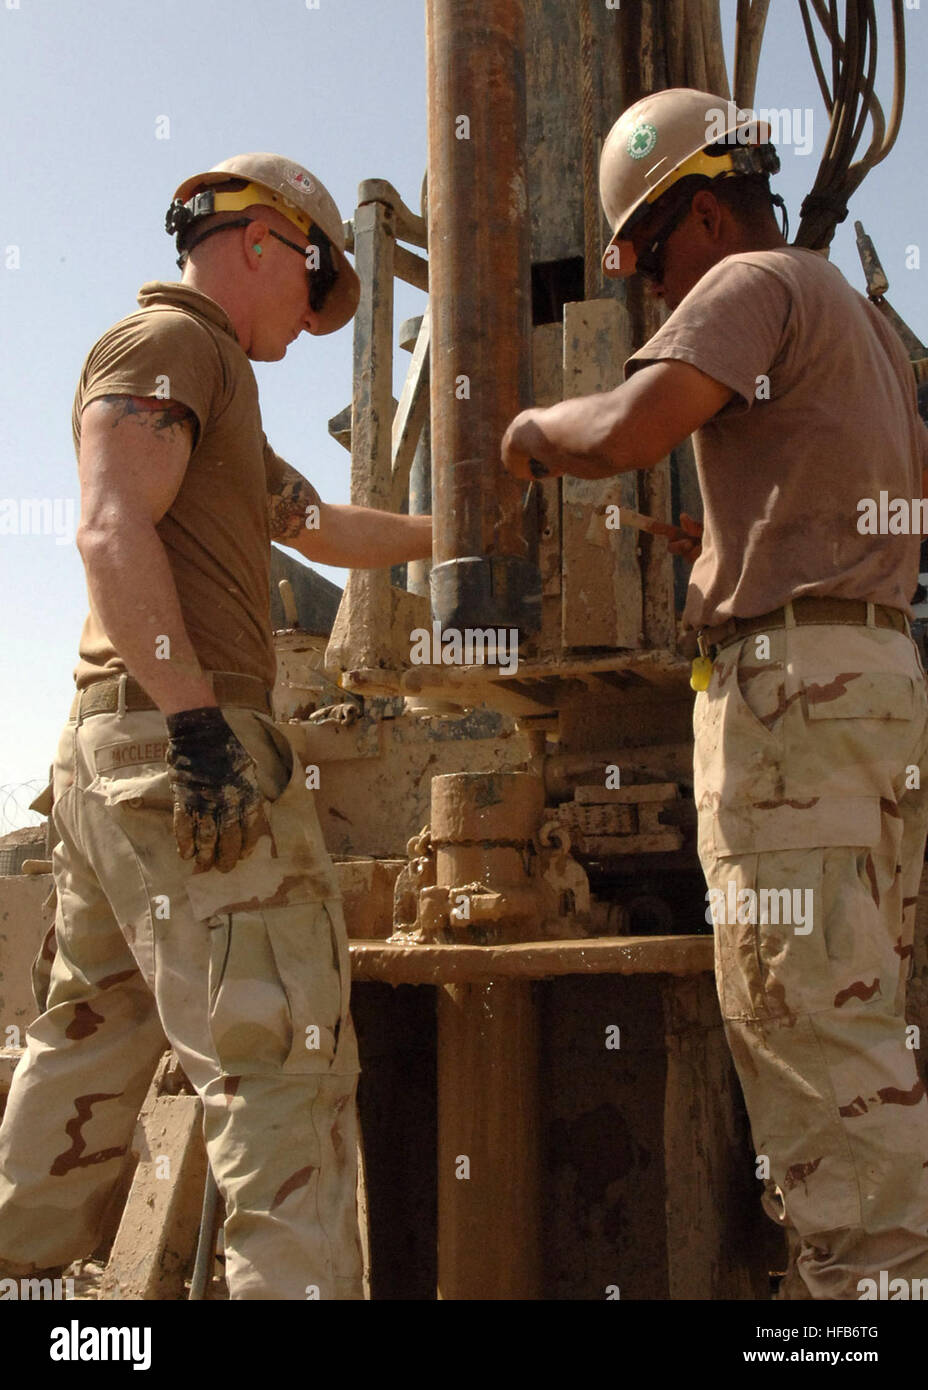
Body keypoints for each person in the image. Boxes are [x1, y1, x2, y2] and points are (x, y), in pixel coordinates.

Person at [502, 89, 928, 1300]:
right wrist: (751, 531)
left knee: (808, 1038)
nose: (647, 293)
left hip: (790, 700)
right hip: (873, 682)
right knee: (859, 1019)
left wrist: (533, 429)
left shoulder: (748, 284)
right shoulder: (863, 325)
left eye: (641, 259)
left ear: (695, 211)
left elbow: (628, 429)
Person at [0, 153, 431, 1300]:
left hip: (118, 761)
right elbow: (106, 529)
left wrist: (452, 534)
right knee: (283, 1060)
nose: (313, 309)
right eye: (315, 278)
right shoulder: (167, 346)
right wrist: (199, 731)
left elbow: (321, 525)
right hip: (174, 745)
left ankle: (35, 1296)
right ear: (261, 243)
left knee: (88, 1039)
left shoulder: (222, 397)